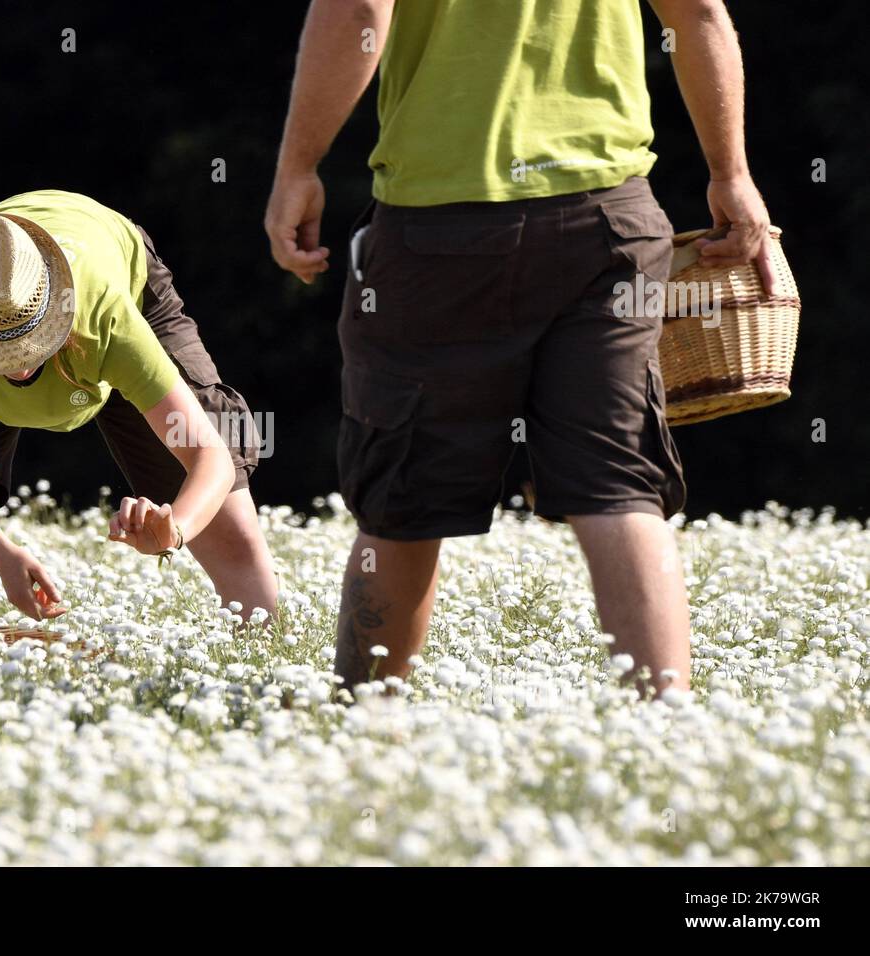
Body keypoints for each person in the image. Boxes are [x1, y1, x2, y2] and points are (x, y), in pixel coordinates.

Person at [264, 0, 775, 695]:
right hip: (607, 216)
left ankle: (363, 728)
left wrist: (299, 165)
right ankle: (667, 731)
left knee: (403, 491)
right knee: (618, 482)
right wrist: (731, 171)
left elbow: (357, 9)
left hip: (439, 223)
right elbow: (701, 14)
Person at [0, 189, 278, 646]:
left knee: (229, 522)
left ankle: (276, 685)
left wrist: (174, 530)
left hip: (108, 273)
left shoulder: (106, 315)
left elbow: (208, 457)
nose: (21, 366)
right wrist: (1, 552)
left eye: (30, 339)